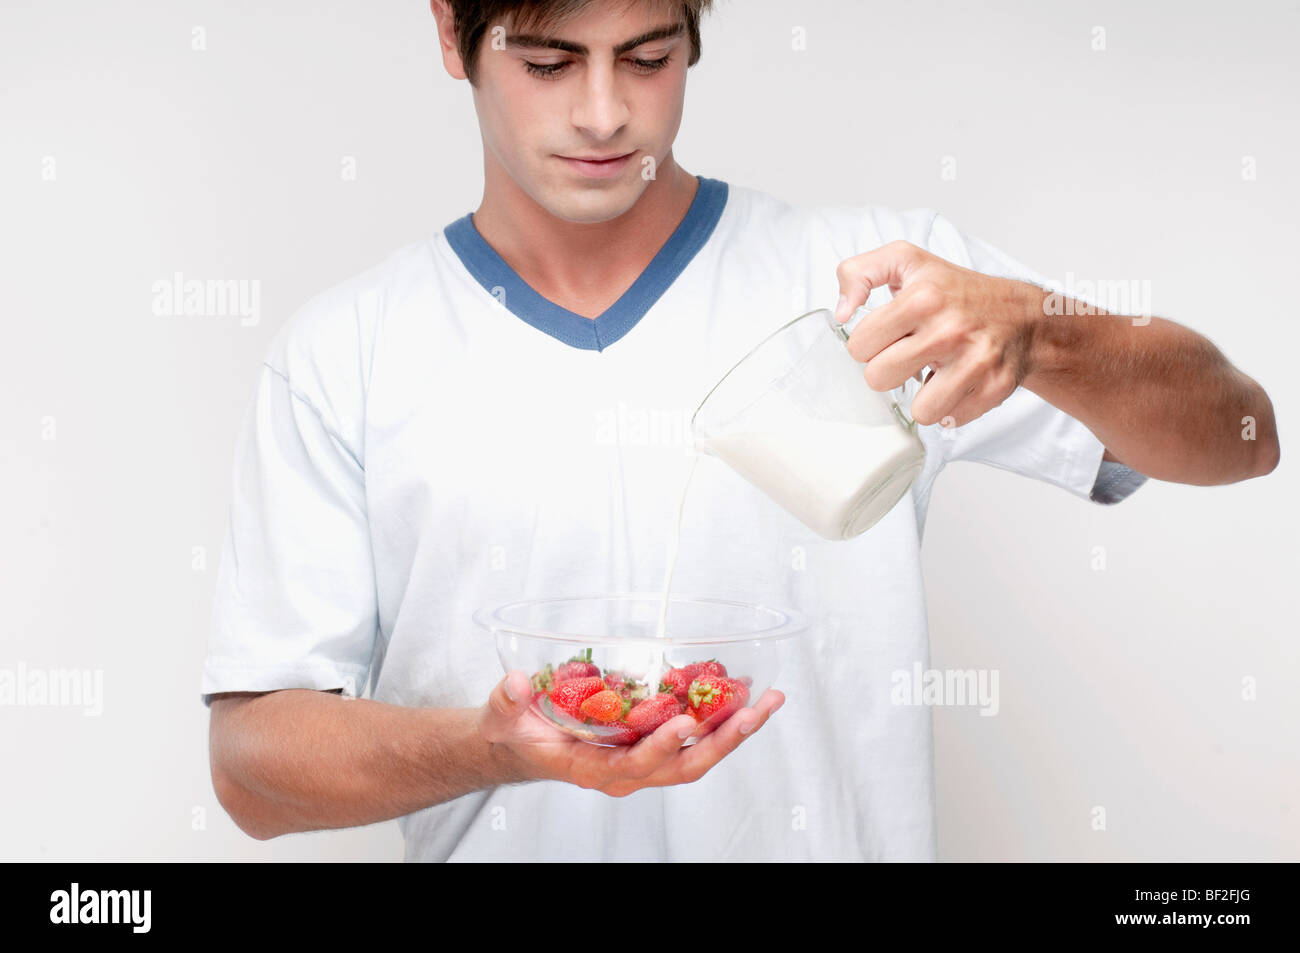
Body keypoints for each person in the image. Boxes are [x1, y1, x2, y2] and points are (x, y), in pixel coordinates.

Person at [202, 0, 1279, 861]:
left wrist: (1045, 331)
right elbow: (252, 768)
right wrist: (494, 747)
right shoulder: (347, 353)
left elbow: (1242, 432)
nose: (602, 112)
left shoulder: (876, 284)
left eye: (647, 55)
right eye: (546, 61)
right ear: (451, 33)